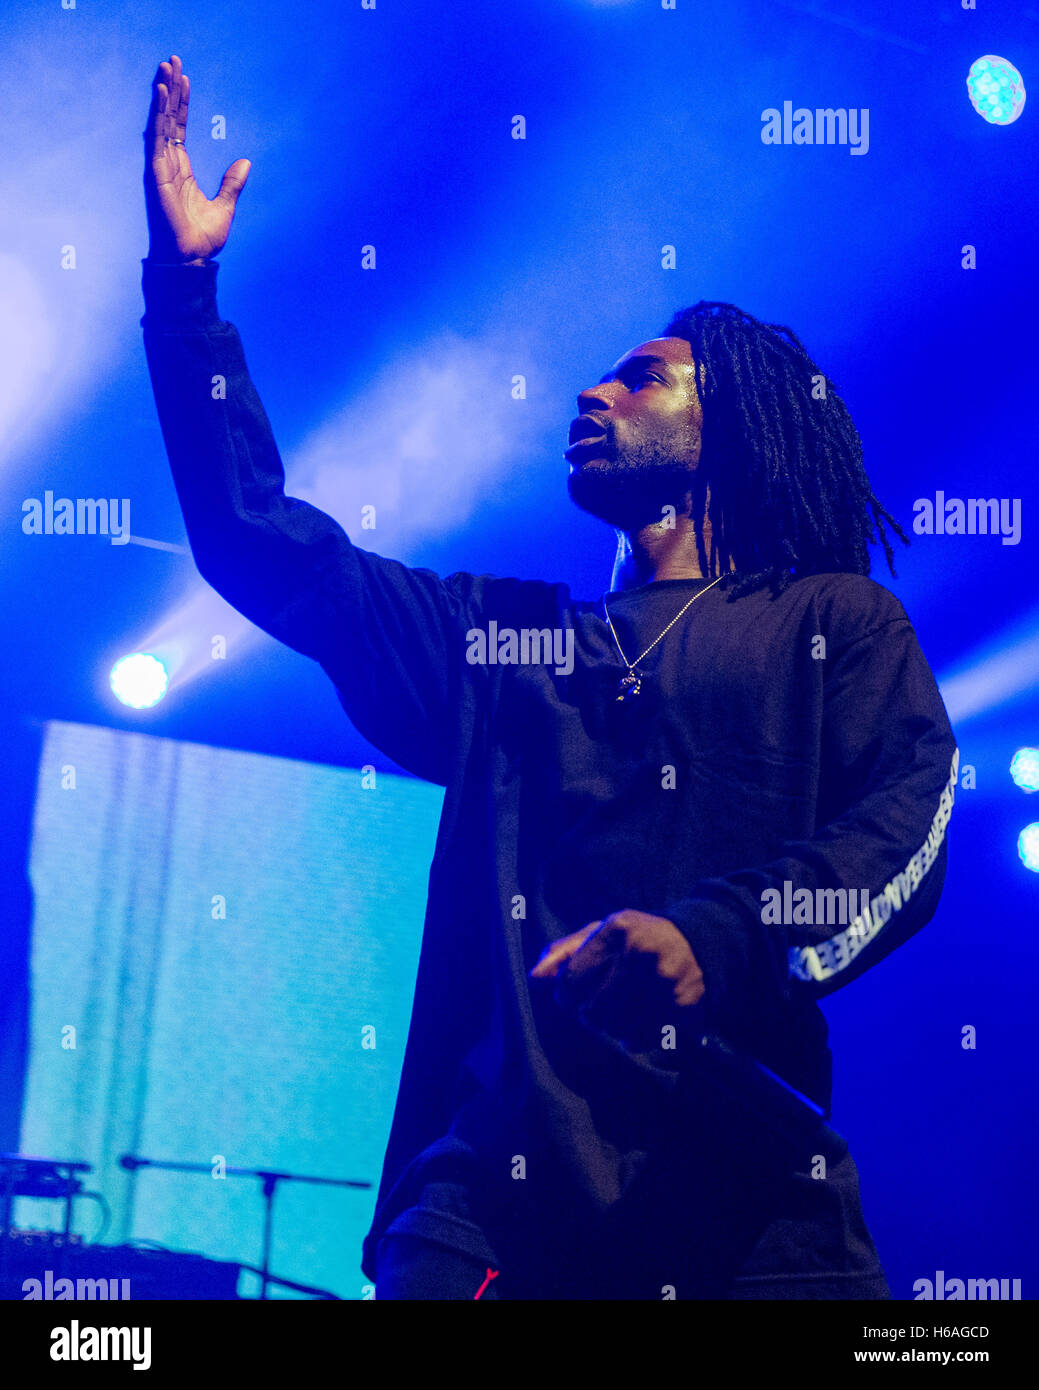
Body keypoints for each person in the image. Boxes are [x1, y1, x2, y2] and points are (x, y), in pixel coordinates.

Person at [140, 56, 958, 1300]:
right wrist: (185, 291)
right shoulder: (501, 639)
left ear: (731, 430)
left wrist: (721, 934)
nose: (590, 389)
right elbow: (261, 541)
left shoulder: (832, 621)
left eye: (641, 377)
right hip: (486, 1209)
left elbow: (907, 828)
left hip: (747, 1207)